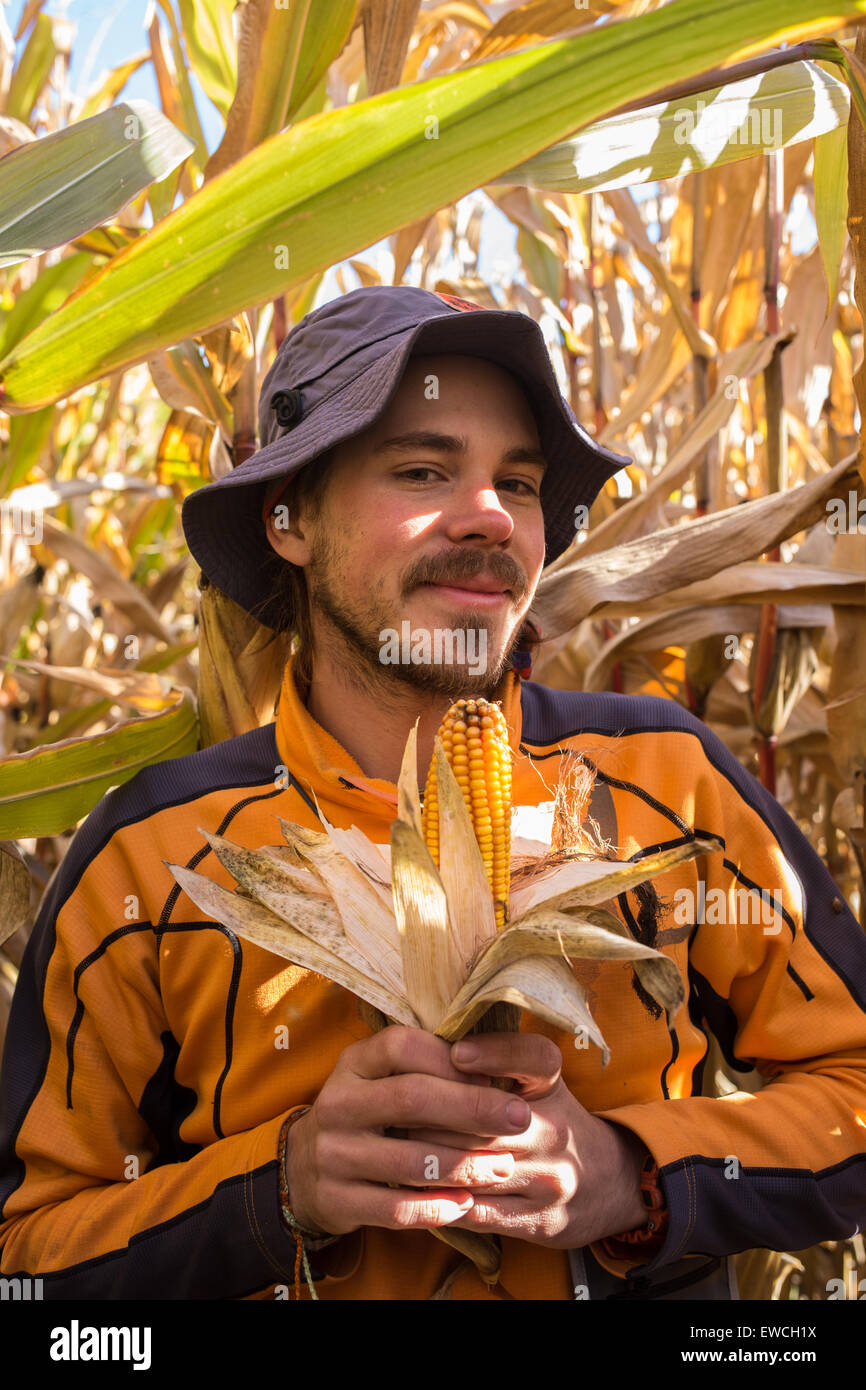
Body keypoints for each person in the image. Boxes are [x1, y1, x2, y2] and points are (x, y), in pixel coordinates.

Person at [0, 285, 864, 1302]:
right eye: (421, 469)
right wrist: (277, 1189)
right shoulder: (151, 858)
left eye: (519, 481)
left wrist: (631, 1174)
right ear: (290, 522)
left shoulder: (666, 781)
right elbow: (29, 1259)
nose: (489, 514)